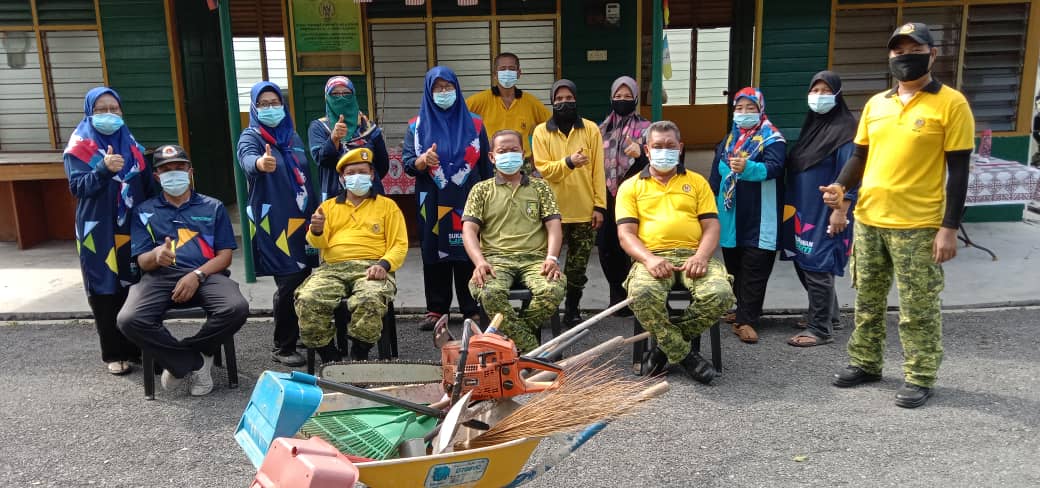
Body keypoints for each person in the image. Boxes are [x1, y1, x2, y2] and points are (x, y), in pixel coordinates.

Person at [822, 23, 974, 408]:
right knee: (867, 300)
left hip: (918, 225)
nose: (905, 57)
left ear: (932, 54)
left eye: (914, 49)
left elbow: (959, 171)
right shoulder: (877, 104)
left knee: (917, 306)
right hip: (870, 218)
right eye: (898, 50)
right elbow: (860, 155)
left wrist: (949, 227)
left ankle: (920, 375)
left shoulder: (952, 104)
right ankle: (865, 362)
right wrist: (840, 187)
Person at [117, 145, 248, 397]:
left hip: (207, 275)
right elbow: (143, 262)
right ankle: (193, 362)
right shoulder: (144, 211)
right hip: (159, 277)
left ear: (190, 172)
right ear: (157, 177)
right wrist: (156, 255)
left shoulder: (213, 206)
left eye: (179, 167)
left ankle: (190, 353)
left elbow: (225, 256)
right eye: (166, 169)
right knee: (129, 319)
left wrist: (196, 275)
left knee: (236, 308)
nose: (173, 173)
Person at [617, 121, 735, 384]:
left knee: (721, 294)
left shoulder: (697, 182)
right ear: (647, 150)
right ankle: (687, 356)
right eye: (657, 146)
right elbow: (626, 235)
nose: (664, 151)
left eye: (670, 146)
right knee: (641, 293)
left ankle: (661, 351)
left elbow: (712, 226)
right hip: (652, 257)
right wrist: (648, 258)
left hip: (693, 254)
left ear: (680, 148)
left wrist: (701, 256)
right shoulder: (630, 186)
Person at [64, 87, 153, 376]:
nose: (109, 114)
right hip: (98, 227)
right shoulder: (79, 148)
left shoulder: (132, 145)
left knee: (133, 283)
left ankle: (135, 347)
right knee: (104, 287)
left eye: (114, 109)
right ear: (89, 113)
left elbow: (146, 185)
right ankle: (114, 353)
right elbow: (78, 188)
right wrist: (102, 169)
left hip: (131, 225)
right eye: (101, 110)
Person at [295, 148, 409, 362]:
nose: (357, 177)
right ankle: (329, 356)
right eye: (351, 173)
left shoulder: (388, 206)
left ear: (372, 175)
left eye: (362, 172)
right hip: (332, 269)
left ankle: (359, 352)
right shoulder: (328, 207)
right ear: (342, 178)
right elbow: (318, 243)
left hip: (372, 268)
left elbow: (399, 244)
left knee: (370, 299)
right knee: (307, 298)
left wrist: (384, 265)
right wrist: (316, 230)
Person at [403, 66, 493, 331]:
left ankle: (471, 307)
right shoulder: (416, 126)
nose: (444, 92)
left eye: (448, 86)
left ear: (457, 88)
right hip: (432, 198)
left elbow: (486, 166)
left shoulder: (475, 124)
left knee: (468, 249)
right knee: (433, 250)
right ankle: (436, 308)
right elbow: (408, 163)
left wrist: (489, 197)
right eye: (438, 88)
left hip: (468, 196)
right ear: (428, 92)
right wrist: (422, 160)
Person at [463, 129, 566, 353]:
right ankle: (533, 351)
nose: (508, 155)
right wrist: (480, 262)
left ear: (523, 153)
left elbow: (554, 226)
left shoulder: (540, 187)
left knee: (553, 289)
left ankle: (509, 346)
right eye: (502, 151)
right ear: (492, 157)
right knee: (487, 292)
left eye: (514, 150)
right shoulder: (481, 190)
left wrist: (552, 257)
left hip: (536, 260)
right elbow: (469, 230)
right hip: (496, 261)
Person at [237, 81, 316, 368]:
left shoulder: (291, 135)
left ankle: (301, 332)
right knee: (288, 279)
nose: (270, 108)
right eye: (263, 104)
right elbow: (247, 160)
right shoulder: (251, 136)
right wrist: (260, 163)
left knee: (305, 276)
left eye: (275, 102)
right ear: (254, 108)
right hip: (275, 220)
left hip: (302, 217)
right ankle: (283, 346)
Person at [780, 71, 858, 348]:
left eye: (826, 91)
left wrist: (841, 211)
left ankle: (820, 329)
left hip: (827, 210)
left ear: (838, 95)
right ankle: (828, 315)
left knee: (819, 264)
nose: (819, 97)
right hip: (803, 208)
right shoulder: (813, 127)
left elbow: (852, 173)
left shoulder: (846, 131)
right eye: (815, 91)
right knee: (805, 261)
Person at [708, 87, 786, 344]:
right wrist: (709, 202)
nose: (744, 113)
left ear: (760, 110)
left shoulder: (772, 138)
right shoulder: (730, 139)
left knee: (755, 265)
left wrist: (749, 167)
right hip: (732, 213)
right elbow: (716, 173)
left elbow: (775, 167)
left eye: (750, 108)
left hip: (759, 214)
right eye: (739, 108)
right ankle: (743, 309)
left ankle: (747, 320)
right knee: (735, 264)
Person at [532, 79, 606, 326]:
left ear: (576, 99)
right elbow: (544, 170)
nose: (564, 103)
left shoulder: (591, 129)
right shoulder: (541, 132)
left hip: (584, 210)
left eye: (569, 98)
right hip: (551, 212)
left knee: (577, 268)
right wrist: (569, 162)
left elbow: (598, 171)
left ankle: (572, 309)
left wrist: (599, 206)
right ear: (552, 102)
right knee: (547, 263)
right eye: (559, 99)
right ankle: (547, 308)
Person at [598, 76, 651, 316]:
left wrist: (641, 155)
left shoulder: (647, 129)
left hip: (638, 195)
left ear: (636, 98)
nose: (622, 100)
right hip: (608, 196)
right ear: (611, 98)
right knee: (608, 247)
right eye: (618, 96)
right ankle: (617, 297)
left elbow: (661, 161)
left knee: (635, 245)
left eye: (627, 96)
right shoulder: (601, 129)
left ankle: (637, 296)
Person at [466, 52, 552, 175]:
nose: (507, 72)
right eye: (502, 69)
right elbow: (458, 119)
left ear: (519, 73)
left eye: (511, 68)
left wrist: (539, 157)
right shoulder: (478, 101)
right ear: (495, 74)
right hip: (492, 164)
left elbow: (551, 126)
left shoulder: (530, 102)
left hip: (523, 166)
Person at [308, 76, 390, 200]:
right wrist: (334, 139)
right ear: (327, 98)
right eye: (335, 94)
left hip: (370, 195)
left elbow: (382, 166)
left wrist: (363, 179)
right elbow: (322, 160)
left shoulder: (368, 128)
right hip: (335, 197)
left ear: (353, 96)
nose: (341, 98)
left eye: (346, 93)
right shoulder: (319, 127)